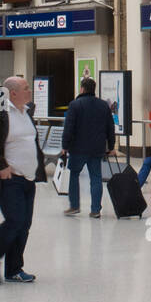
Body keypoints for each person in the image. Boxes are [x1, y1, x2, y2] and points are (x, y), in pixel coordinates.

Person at [0, 76, 46, 284]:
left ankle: (14, 269)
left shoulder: (26, 112)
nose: (30, 92)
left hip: (28, 178)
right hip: (8, 179)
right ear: (13, 92)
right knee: (14, 220)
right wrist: (0, 165)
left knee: (24, 224)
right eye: (26, 88)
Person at [60, 77, 115, 218]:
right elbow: (110, 127)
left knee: (74, 174)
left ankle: (74, 206)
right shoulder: (103, 105)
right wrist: (111, 146)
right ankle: (95, 209)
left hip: (78, 148)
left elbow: (69, 128)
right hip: (97, 148)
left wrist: (65, 146)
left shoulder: (75, 105)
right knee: (96, 177)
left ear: (82, 88)